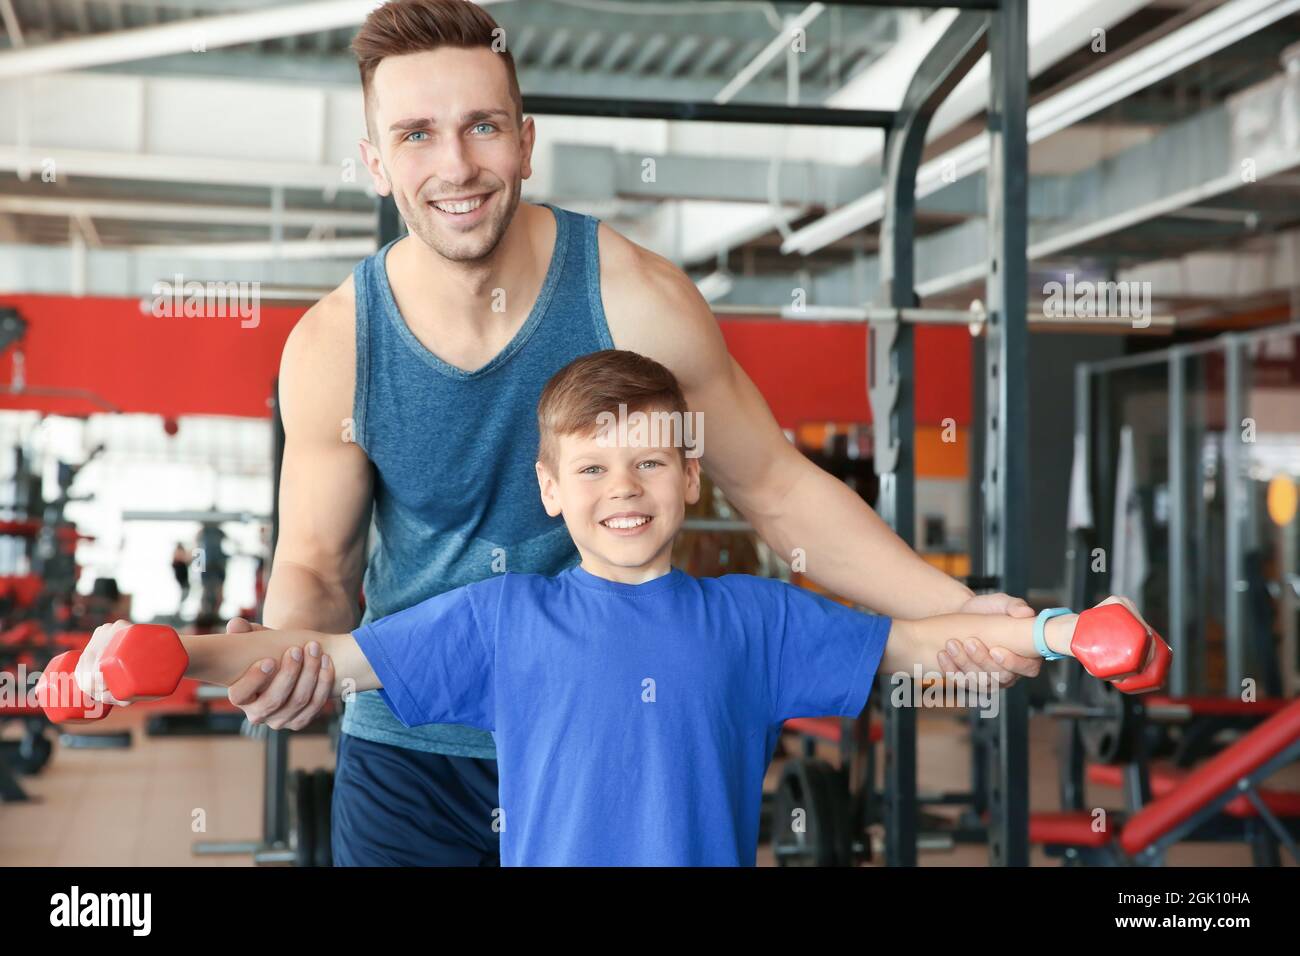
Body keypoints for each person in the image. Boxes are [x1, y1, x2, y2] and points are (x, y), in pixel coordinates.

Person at [223, 0, 1044, 866]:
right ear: (376, 163)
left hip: (609, 737)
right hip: (411, 754)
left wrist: (951, 611)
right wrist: (294, 661)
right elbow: (317, 565)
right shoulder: (332, 347)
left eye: (483, 127)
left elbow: (776, 488)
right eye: (417, 134)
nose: (456, 165)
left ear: (527, 141)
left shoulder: (635, 299)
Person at [76, 351, 1155, 866]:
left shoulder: (756, 617)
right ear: (550, 491)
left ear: (693, 479)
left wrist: (1056, 631)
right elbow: (326, 653)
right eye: (590, 469)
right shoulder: (501, 619)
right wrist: (162, 650)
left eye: (649, 463)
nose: (622, 488)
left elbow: (920, 642)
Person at [171, 542, 190, 611]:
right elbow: (184, 559)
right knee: (185, 590)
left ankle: (179, 610)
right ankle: (178, 610)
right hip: (181, 575)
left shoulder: (179, 552)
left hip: (182, 575)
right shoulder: (178, 552)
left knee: (185, 591)